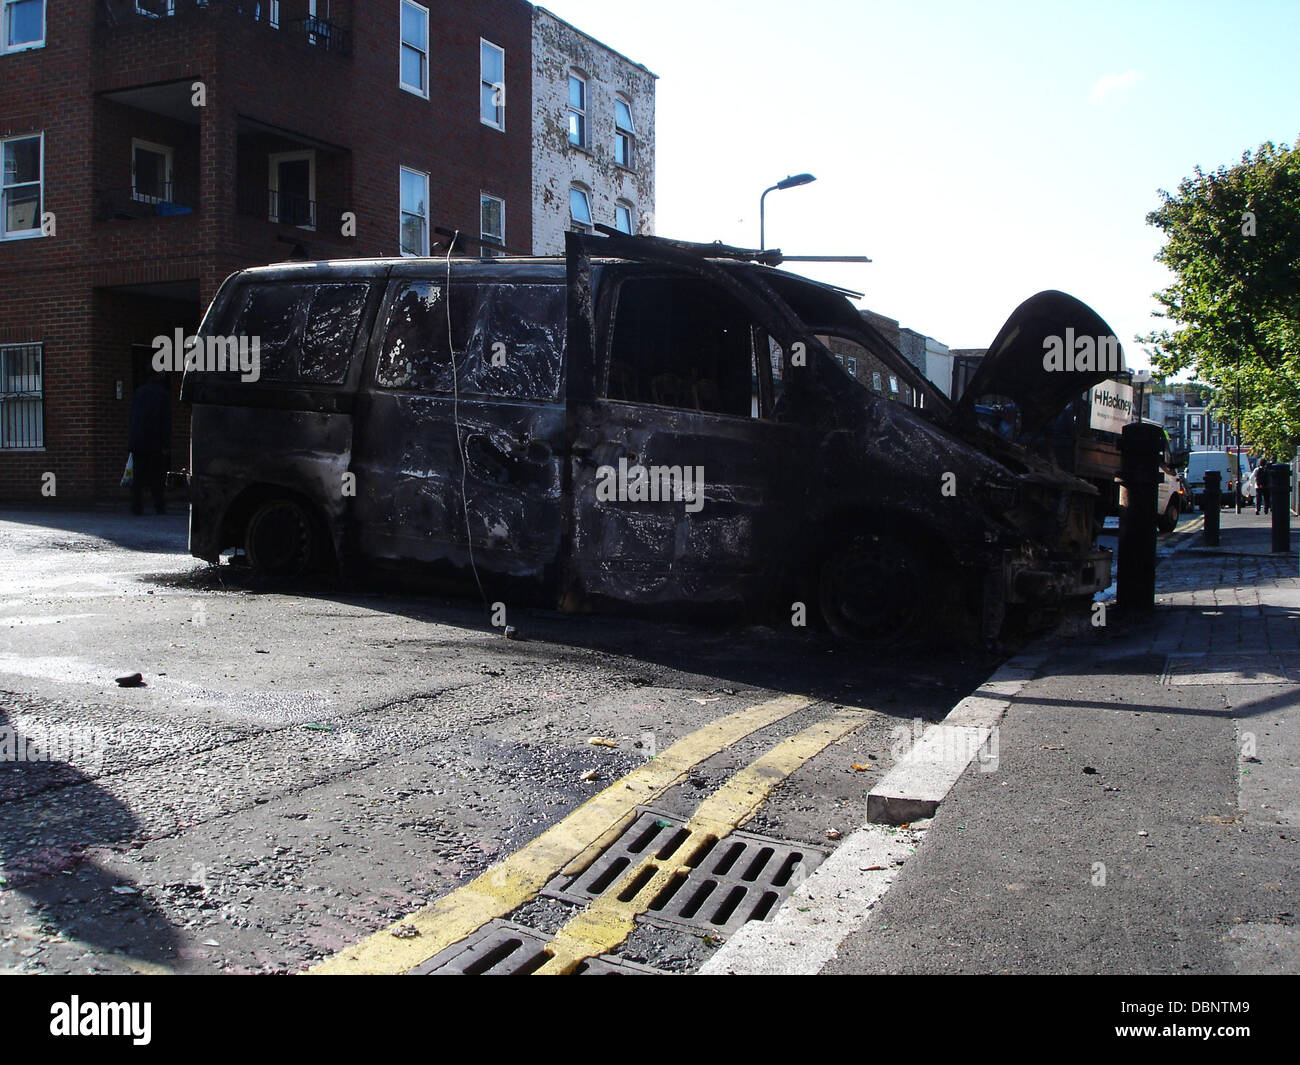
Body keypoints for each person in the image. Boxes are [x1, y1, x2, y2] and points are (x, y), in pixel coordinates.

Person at [128, 369, 171, 515]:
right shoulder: (163, 394)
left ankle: (136, 506)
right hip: (155, 441)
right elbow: (165, 421)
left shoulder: (139, 393)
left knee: (138, 476)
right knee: (157, 475)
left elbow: (134, 418)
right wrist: (166, 444)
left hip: (138, 441)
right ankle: (159, 505)